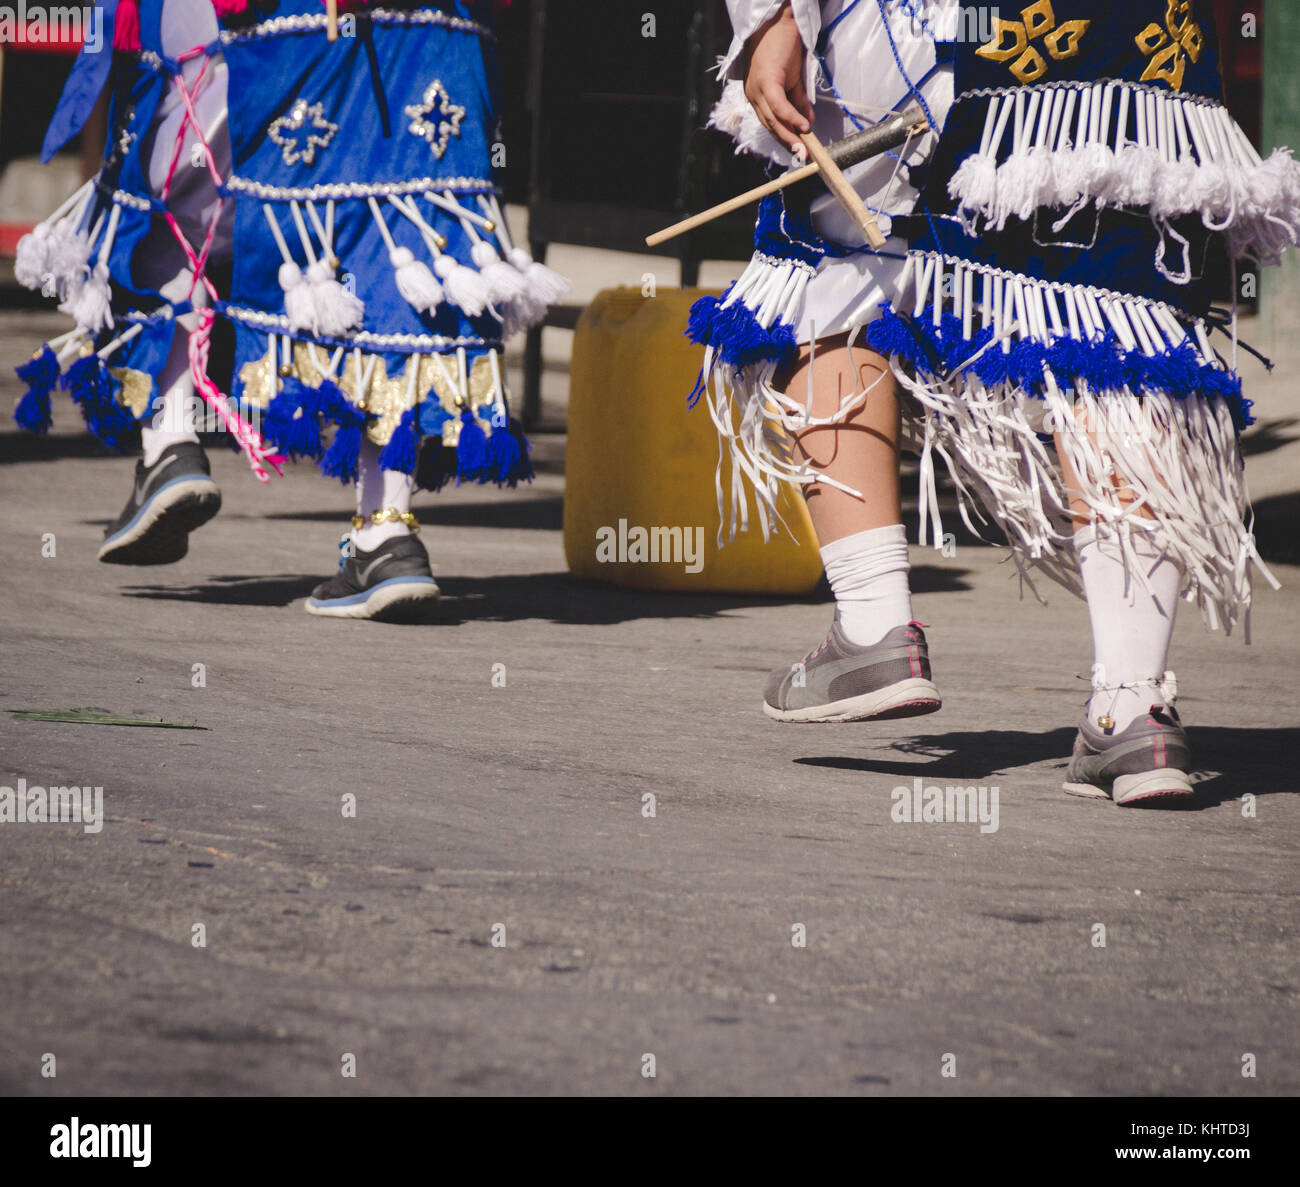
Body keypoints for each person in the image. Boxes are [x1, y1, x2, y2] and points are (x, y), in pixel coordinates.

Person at [692, 0, 1299, 805]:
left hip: (918, 28)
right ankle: (1133, 703)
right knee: (1115, 313)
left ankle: (876, 624)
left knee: (835, 261)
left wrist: (772, 16)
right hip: (1118, 32)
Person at [13, 0, 566, 621]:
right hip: (433, 18)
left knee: (177, 203)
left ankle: (169, 438)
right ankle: (386, 532)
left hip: (268, 18)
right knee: (401, 234)